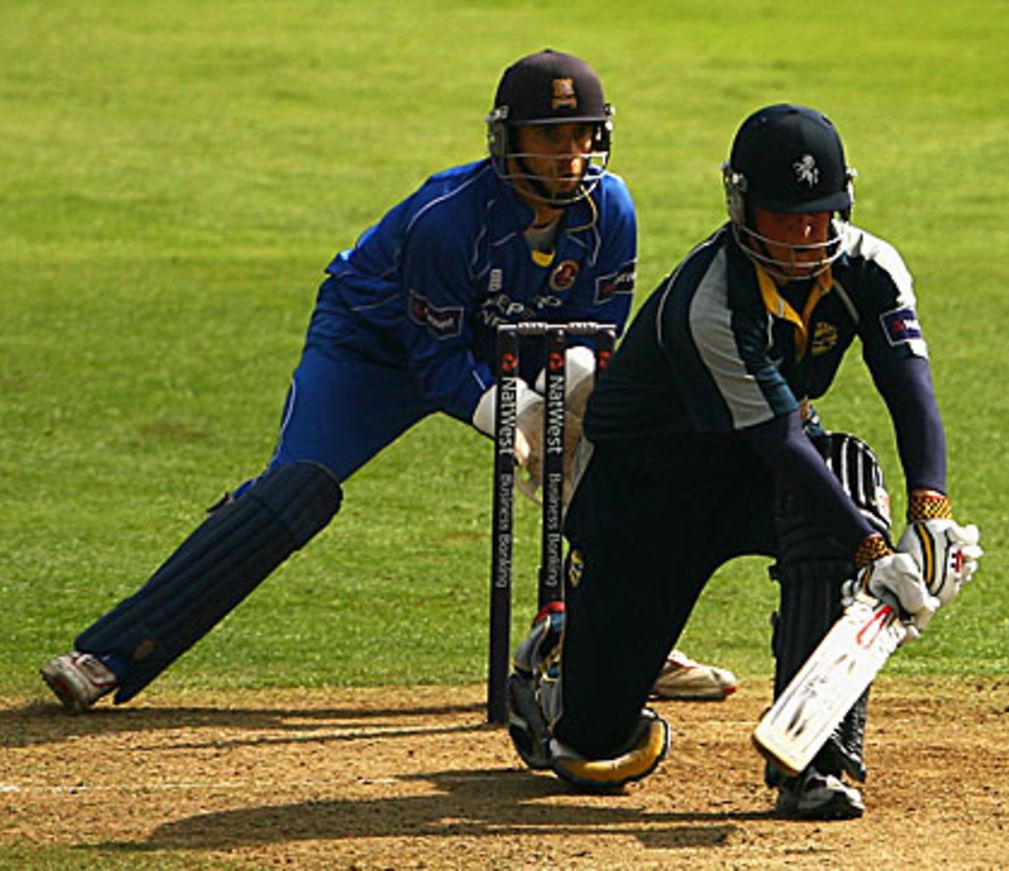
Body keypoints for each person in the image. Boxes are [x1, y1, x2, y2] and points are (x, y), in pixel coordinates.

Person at [40, 49, 735, 713]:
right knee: (298, 486)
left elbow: (592, 341)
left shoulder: (610, 210)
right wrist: (517, 417)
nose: (570, 155)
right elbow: (434, 362)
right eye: (550, 136)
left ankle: (614, 648)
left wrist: (571, 420)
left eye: (582, 135)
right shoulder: (448, 219)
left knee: (610, 458)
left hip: (511, 337)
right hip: (375, 348)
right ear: (508, 139)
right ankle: (111, 655)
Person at [505, 104, 983, 818]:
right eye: (783, 214)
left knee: (844, 474)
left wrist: (933, 512)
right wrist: (877, 550)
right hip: (648, 495)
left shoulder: (872, 267)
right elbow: (781, 444)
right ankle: (560, 668)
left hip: (757, 476)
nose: (802, 234)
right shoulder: (711, 300)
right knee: (592, 752)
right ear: (740, 203)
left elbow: (910, 390)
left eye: (819, 215)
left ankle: (817, 762)